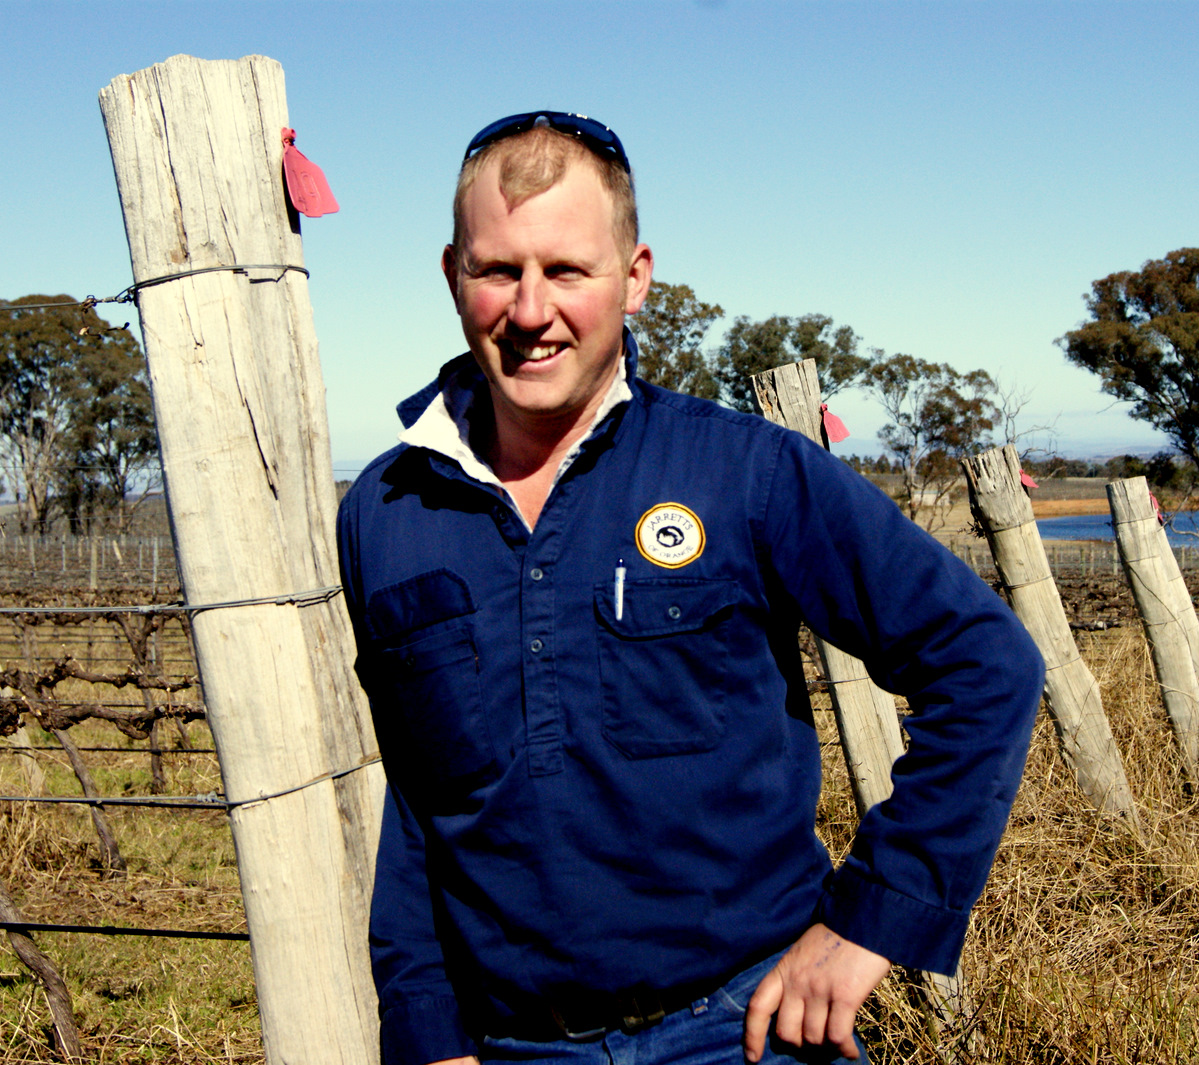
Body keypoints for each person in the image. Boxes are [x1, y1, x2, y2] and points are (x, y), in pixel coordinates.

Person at [337, 111, 1045, 1065]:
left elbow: (985, 662)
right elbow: (421, 800)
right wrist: (425, 1028)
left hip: (748, 1029)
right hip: (511, 1045)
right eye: (499, 270)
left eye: (569, 270)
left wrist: (874, 920)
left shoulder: (747, 473)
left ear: (634, 279)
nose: (533, 307)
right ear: (453, 275)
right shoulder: (387, 510)